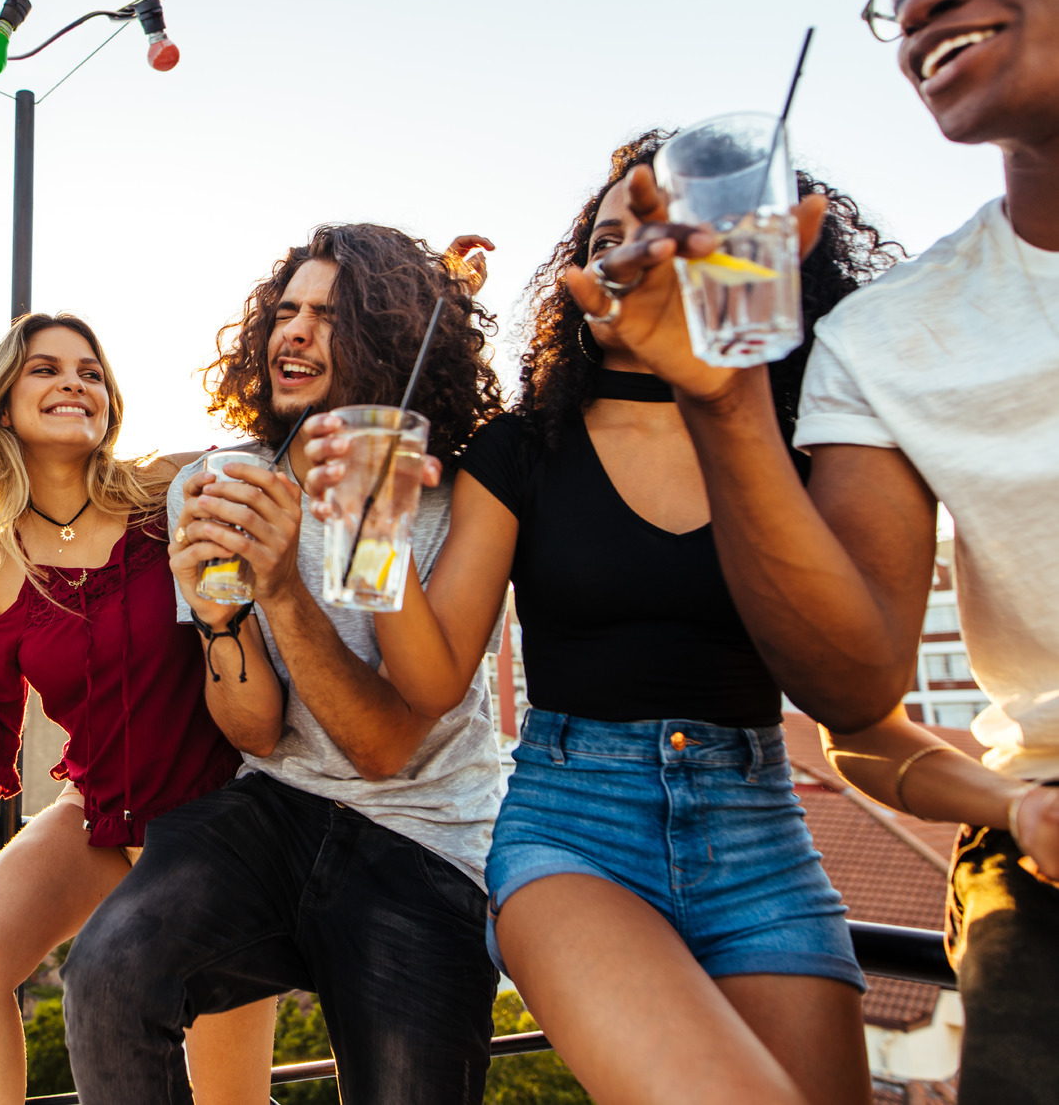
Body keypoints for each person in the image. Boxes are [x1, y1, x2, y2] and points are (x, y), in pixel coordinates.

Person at [565, 0, 1059, 1099]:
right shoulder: (889, 343)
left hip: (762, 857)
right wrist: (721, 402)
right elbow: (851, 694)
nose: (924, 0)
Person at [302, 136, 900, 1105]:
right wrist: (367, 535)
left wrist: (730, 386)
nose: (622, 254)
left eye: (655, 229)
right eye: (603, 235)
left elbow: (855, 677)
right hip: (572, 830)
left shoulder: (793, 441)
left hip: (762, 839)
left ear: (720, 253)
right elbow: (431, 676)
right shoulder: (521, 446)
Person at [60, 224, 506, 1104]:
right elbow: (255, 725)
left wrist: (285, 589)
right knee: (105, 977)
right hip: (274, 809)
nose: (292, 332)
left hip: (425, 835)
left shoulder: (457, 503)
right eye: (286, 310)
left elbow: (384, 749)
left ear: (388, 341)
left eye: (330, 316)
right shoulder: (221, 484)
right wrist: (224, 619)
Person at [0, 313, 274, 1105]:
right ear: (3, 405)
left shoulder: (167, 488)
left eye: (91, 371)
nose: (74, 381)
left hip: (217, 817)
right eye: (46, 368)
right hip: (99, 809)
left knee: (227, 1098)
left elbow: (286, 438)